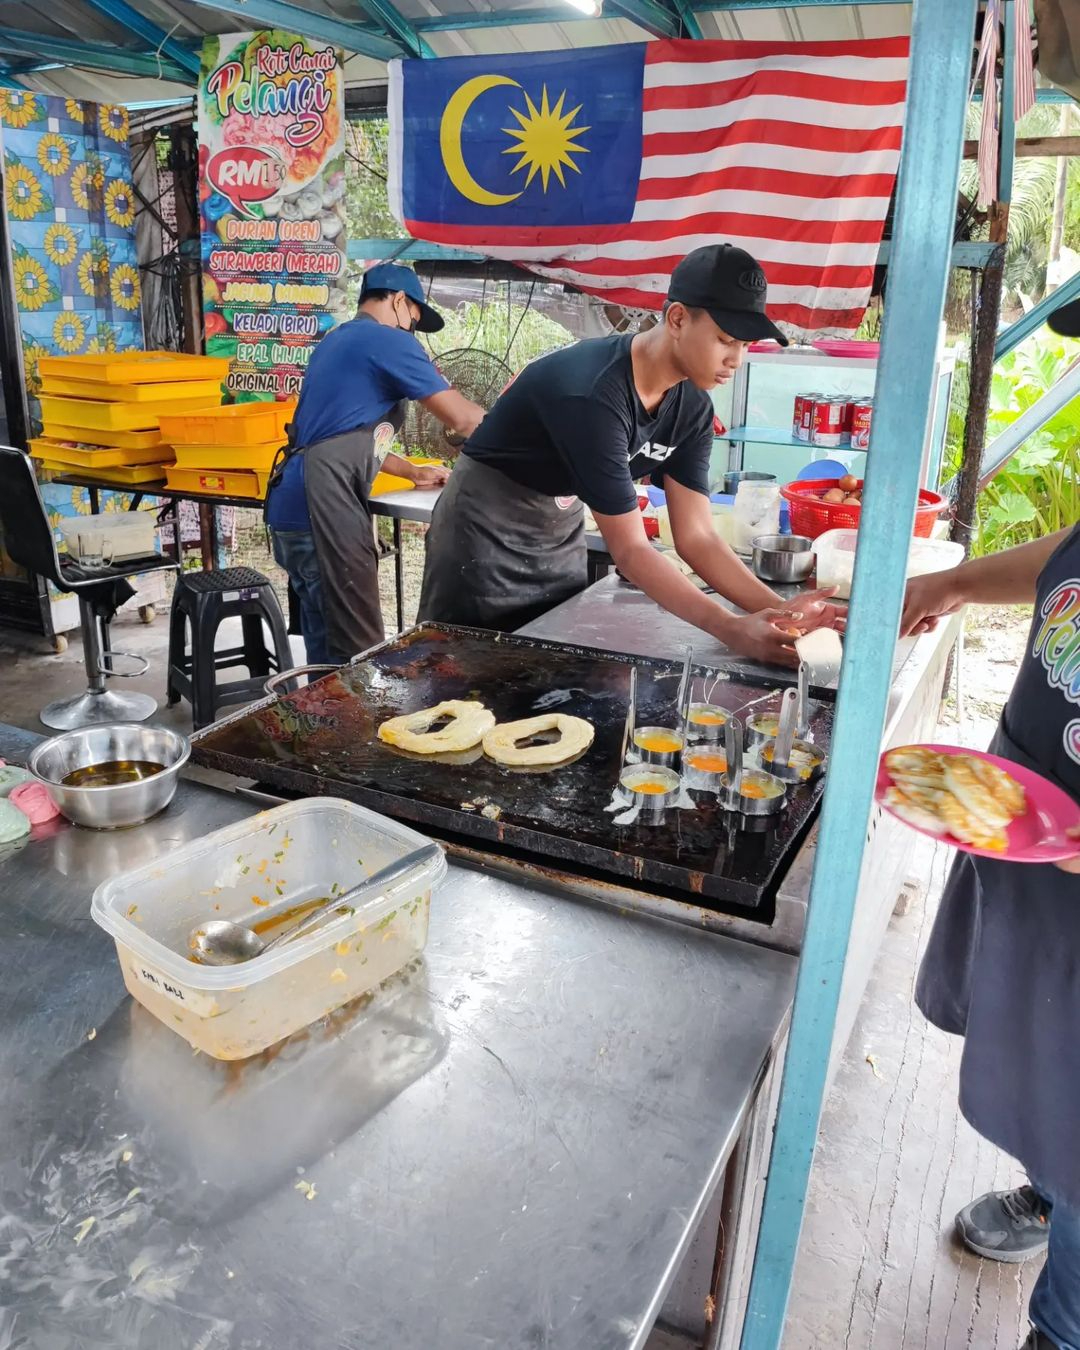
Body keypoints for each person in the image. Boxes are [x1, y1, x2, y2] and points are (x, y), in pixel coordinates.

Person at [417, 244, 841, 665]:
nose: (736, 360)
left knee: (544, 665)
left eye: (746, 345)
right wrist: (730, 629)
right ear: (677, 318)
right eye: (725, 339)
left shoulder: (692, 407)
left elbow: (697, 537)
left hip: (556, 530)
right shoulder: (592, 393)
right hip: (483, 535)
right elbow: (633, 551)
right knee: (468, 669)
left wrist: (781, 614)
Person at [901, 525, 1080, 1350]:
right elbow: (1068, 551)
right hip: (1032, 830)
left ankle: (1059, 1329)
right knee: (1043, 1055)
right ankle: (1050, 1187)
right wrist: (958, 583)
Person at [266, 264, 484, 666]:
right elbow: (465, 420)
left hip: (291, 509)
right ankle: (346, 725)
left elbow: (339, 435)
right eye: (414, 322)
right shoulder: (386, 341)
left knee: (325, 646)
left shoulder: (338, 340)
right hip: (321, 510)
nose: (411, 334)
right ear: (399, 301)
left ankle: (321, 723)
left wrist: (412, 471)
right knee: (354, 652)